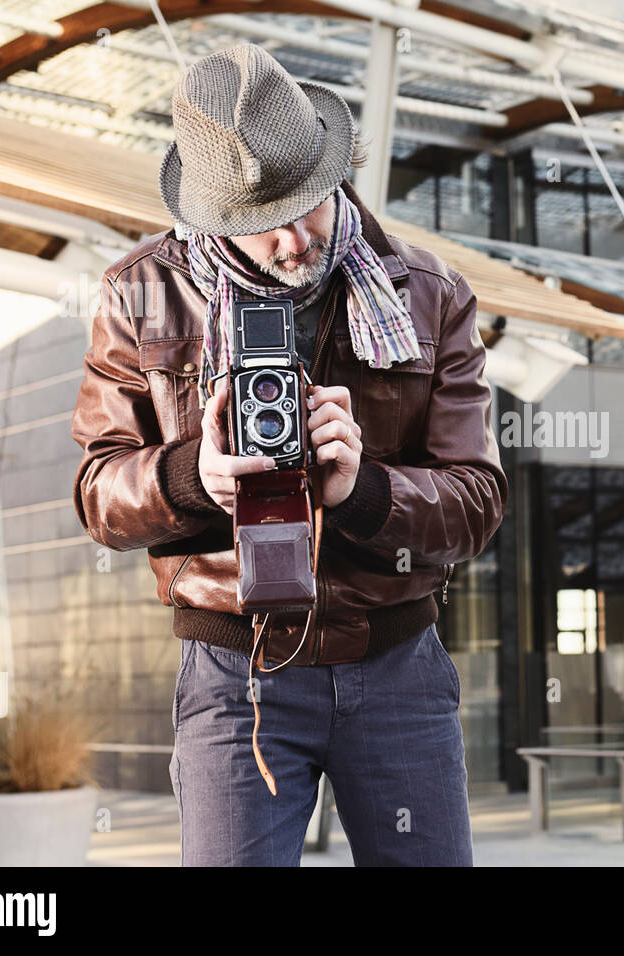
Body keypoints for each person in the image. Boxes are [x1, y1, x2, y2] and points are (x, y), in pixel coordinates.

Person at [70, 44, 507, 866]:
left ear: (334, 172)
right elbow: (98, 493)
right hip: (237, 670)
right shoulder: (141, 295)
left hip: (397, 664)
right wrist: (188, 477)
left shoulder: (431, 294)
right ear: (210, 216)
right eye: (256, 220)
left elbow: (477, 503)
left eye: (306, 204)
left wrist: (365, 490)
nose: (291, 238)